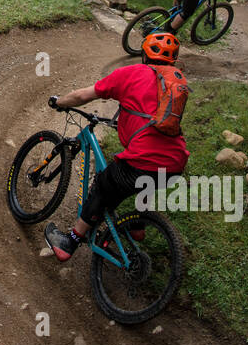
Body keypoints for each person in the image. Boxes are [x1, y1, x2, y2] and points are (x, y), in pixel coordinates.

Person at [43, 32, 189, 261]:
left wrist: (59, 102)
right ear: (173, 60)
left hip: (143, 160)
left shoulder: (132, 73)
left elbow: (83, 95)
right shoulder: (176, 82)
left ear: (144, 54)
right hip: (175, 163)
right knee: (147, 178)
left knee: (104, 184)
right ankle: (137, 227)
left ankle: (69, 242)